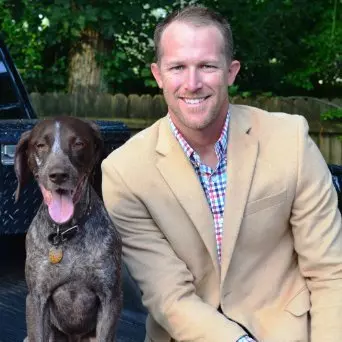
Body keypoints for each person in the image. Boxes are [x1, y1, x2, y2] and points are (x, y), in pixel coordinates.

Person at [101, 5, 342, 342]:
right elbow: (169, 297)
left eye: (207, 66)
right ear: (158, 75)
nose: (192, 82)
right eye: (178, 67)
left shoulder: (291, 142)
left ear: (231, 71)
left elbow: (330, 273)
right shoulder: (124, 172)